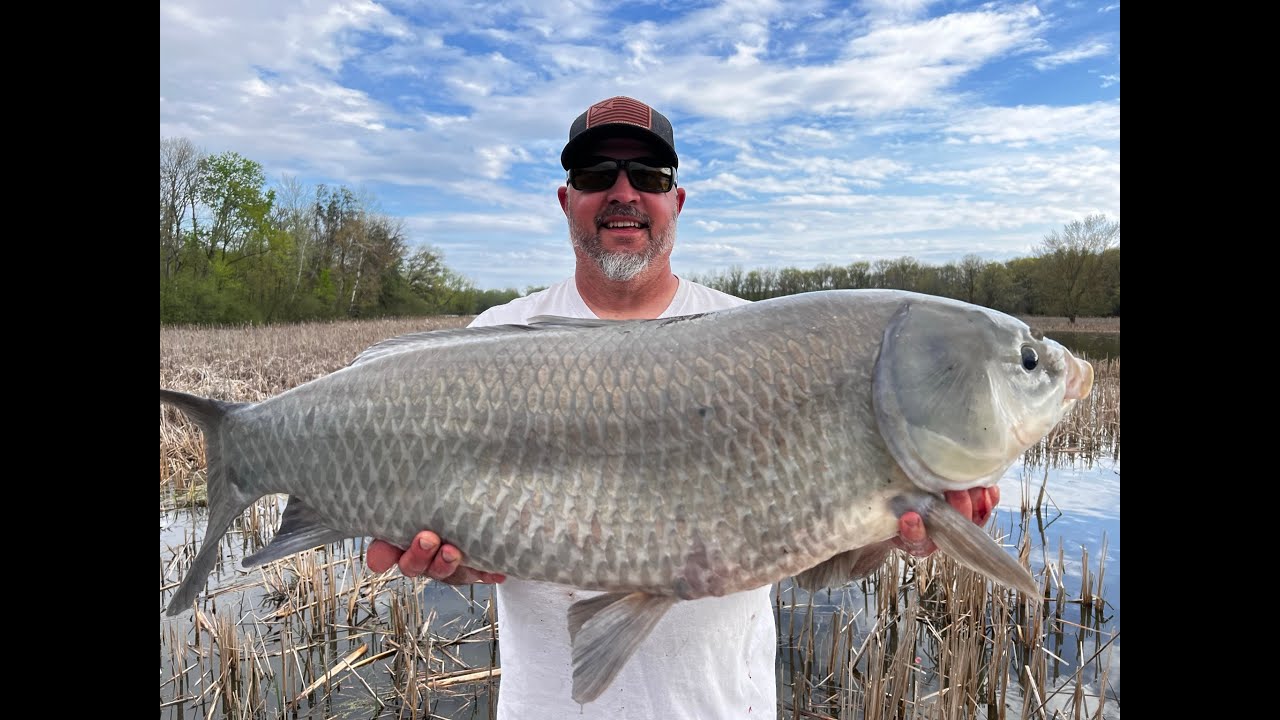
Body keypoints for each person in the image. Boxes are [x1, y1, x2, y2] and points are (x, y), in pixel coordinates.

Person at [365, 95, 1001, 719]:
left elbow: (826, 550)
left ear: (676, 200)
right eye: (595, 175)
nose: (623, 192)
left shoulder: (757, 335)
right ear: (567, 200)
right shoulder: (493, 337)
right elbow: (445, 529)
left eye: (649, 175)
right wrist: (454, 561)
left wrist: (896, 533)